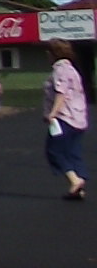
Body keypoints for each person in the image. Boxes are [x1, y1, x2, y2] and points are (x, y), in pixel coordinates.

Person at [42, 39, 87, 200]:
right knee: (72, 152)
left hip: (64, 118)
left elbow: (61, 93)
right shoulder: (72, 70)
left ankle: (75, 180)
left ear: (53, 53)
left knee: (55, 150)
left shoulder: (60, 70)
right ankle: (78, 189)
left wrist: (52, 114)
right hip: (79, 118)